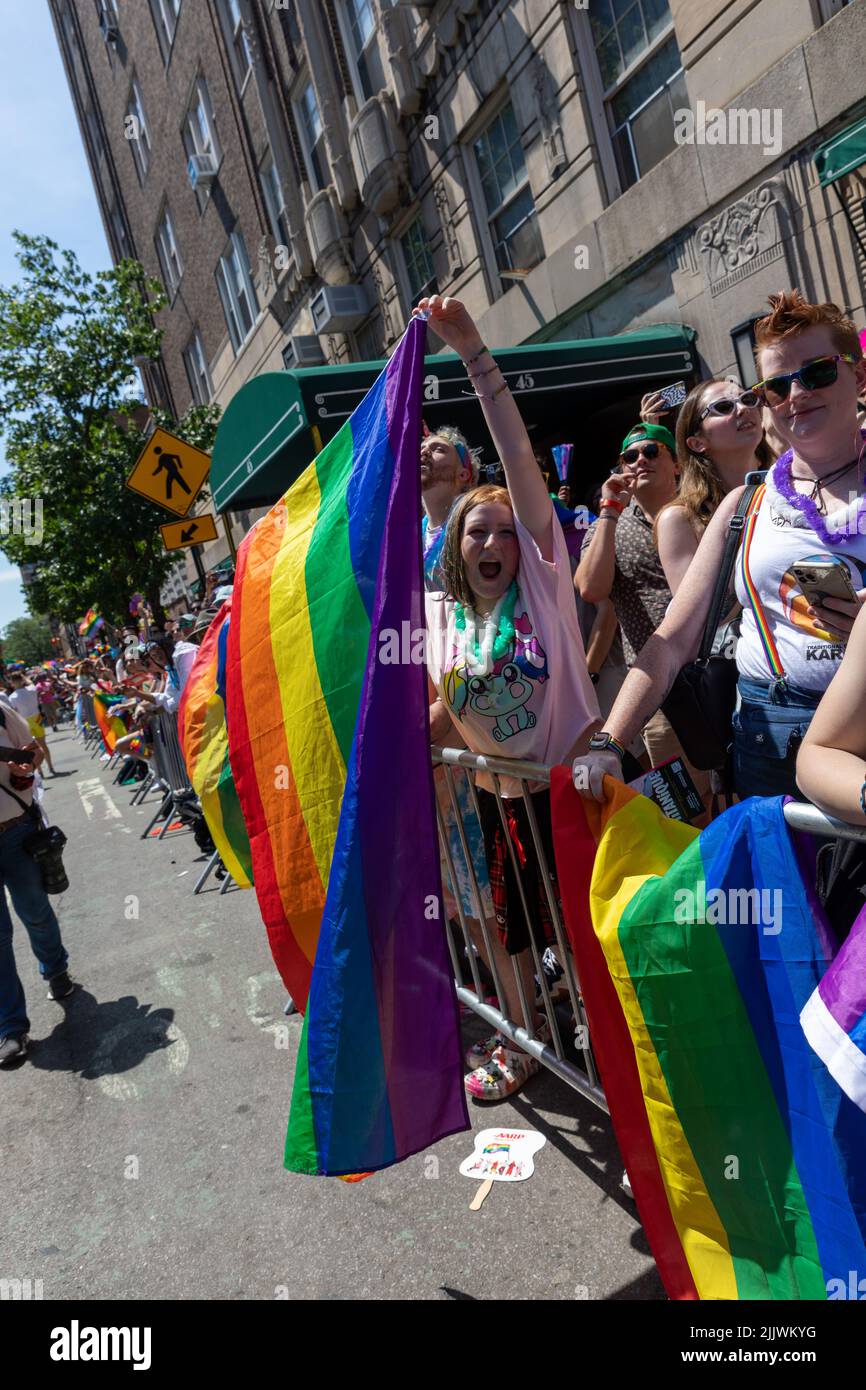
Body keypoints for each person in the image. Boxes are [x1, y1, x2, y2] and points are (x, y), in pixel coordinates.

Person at [573, 290, 866, 803]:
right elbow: (674, 637)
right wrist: (609, 741)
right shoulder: (743, 504)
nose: (796, 394)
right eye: (775, 386)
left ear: (858, 376)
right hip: (767, 741)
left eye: (816, 372)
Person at [418, 292, 601, 1101]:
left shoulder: (543, 582)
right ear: (455, 548)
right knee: (520, 937)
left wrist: (473, 355)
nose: (492, 542)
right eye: (474, 532)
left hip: (571, 795)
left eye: (501, 530)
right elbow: (437, 710)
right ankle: (532, 1046)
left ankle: (627, 1086)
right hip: (499, 808)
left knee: (595, 942)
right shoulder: (440, 614)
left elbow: (519, 461)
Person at [576, 422, 701, 778]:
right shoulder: (610, 524)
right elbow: (589, 589)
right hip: (659, 691)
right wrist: (609, 510)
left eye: (651, 451)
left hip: (718, 672)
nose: (640, 461)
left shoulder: (701, 511)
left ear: (676, 464)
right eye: (630, 456)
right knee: (687, 807)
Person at [0, 696, 74, 1066]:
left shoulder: (1, 711)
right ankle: (11, 1028)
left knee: (35, 912)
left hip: (14, 833)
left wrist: (22, 770)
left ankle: (56, 969)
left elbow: (32, 757)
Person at [6, 672, 55, 775]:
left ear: (12, 682)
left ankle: (39, 771)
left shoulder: (12, 697)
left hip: (25, 722)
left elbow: (15, 713)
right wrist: (25, 678)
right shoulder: (32, 689)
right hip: (37, 719)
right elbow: (30, 682)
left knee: (31, 748)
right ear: (22, 679)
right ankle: (50, 767)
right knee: (43, 745)